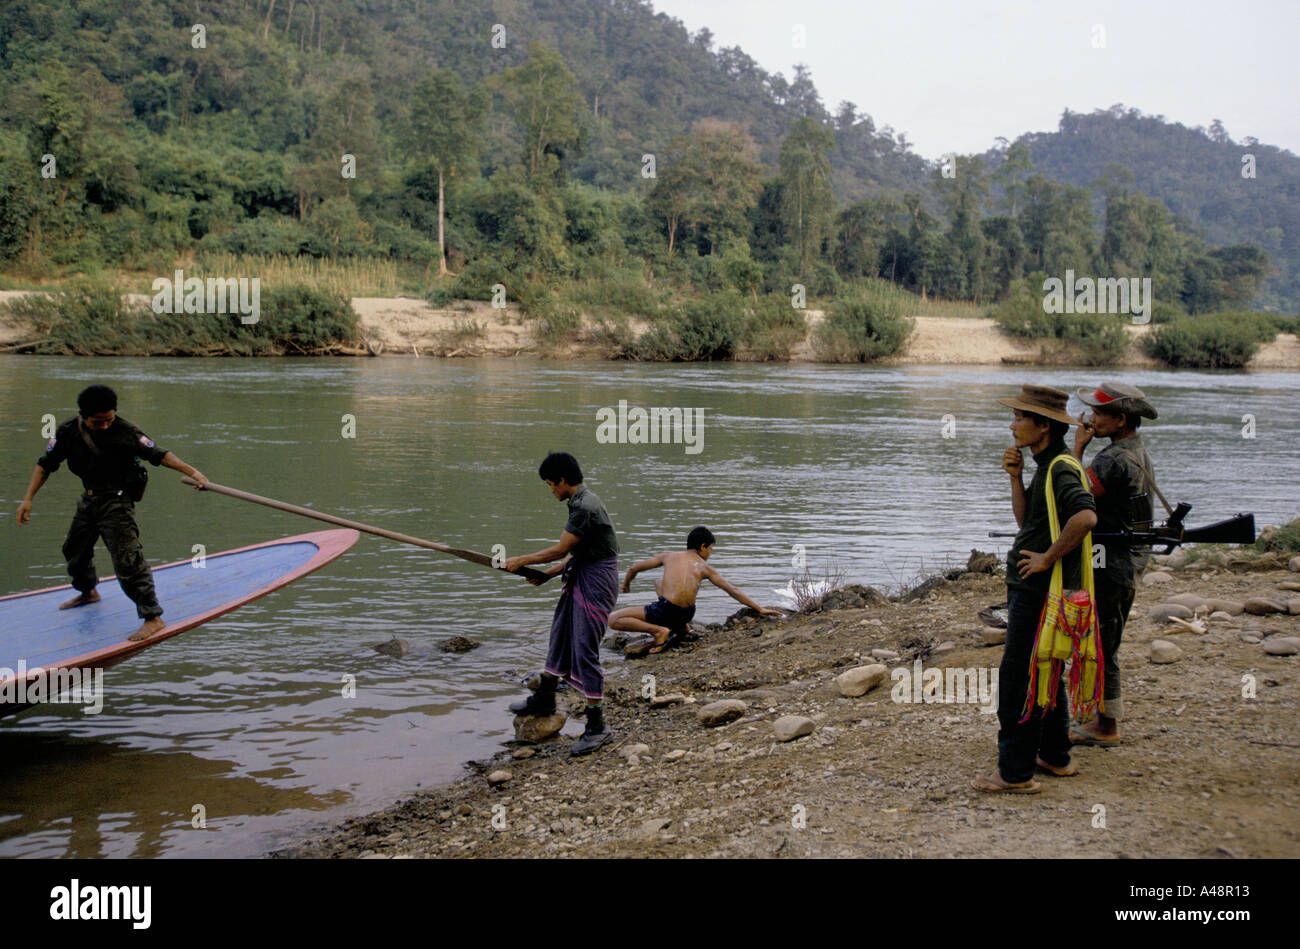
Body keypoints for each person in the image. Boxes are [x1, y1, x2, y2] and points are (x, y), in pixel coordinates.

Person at [972, 384, 1097, 794]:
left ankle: (1014, 773)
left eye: (1019, 418)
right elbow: (1027, 522)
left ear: (1042, 426)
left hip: (1040, 591)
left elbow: (1084, 517)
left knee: (1018, 680)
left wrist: (1047, 558)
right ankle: (1054, 755)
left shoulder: (1061, 467)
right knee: (1046, 670)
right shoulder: (1045, 465)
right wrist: (1015, 478)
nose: (1012, 426)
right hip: (1042, 591)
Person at [16, 384, 207, 642]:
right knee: (74, 549)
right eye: (97, 422)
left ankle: (153, 617)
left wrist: (193, 472)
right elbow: (46, 465)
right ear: (82, 414)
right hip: (90, 499)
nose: (105, 425)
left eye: (109, 419)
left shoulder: (126, 431)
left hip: (117, 502)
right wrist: (27, 499)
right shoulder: (68, 431)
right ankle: (88, 591)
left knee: (127, 559)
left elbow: (159, 454)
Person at [504, 452, 620, 756]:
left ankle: (597, 726)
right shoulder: (581, 501)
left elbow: (561, 550)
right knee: (560, 635)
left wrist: (523, 560)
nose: (551, 490)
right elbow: (574, 553)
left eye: (550, 485)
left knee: (584, 648)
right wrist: (546, 575)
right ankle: (544, 699)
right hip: (584, 571)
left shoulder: (584, 506)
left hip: (596, 581)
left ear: (562, 481)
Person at [1070, 382, 1160, 746]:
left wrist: (1077, 449)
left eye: (1098, 413)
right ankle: (1102, 715)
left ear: (1120, 419)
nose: (1091, 418)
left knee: (1105, 642)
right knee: (1107, 638)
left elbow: (1075, 495)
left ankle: (1107, 726)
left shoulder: (1112, 459)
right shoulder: (1135, 449)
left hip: (1113, 564)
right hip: (1129, 560)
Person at [611, 526, 782, 654]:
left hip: (667, 611)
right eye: (710, 548)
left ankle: (659, 631)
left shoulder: (668, 556)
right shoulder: (704, 567)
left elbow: (634, 568)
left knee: (613, 619)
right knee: (658, 582)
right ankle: (681, 627)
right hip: (687, 614)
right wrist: (759, 608)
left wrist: (626, 584)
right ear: (702, 546)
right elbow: (733, 591)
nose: (710, 552)